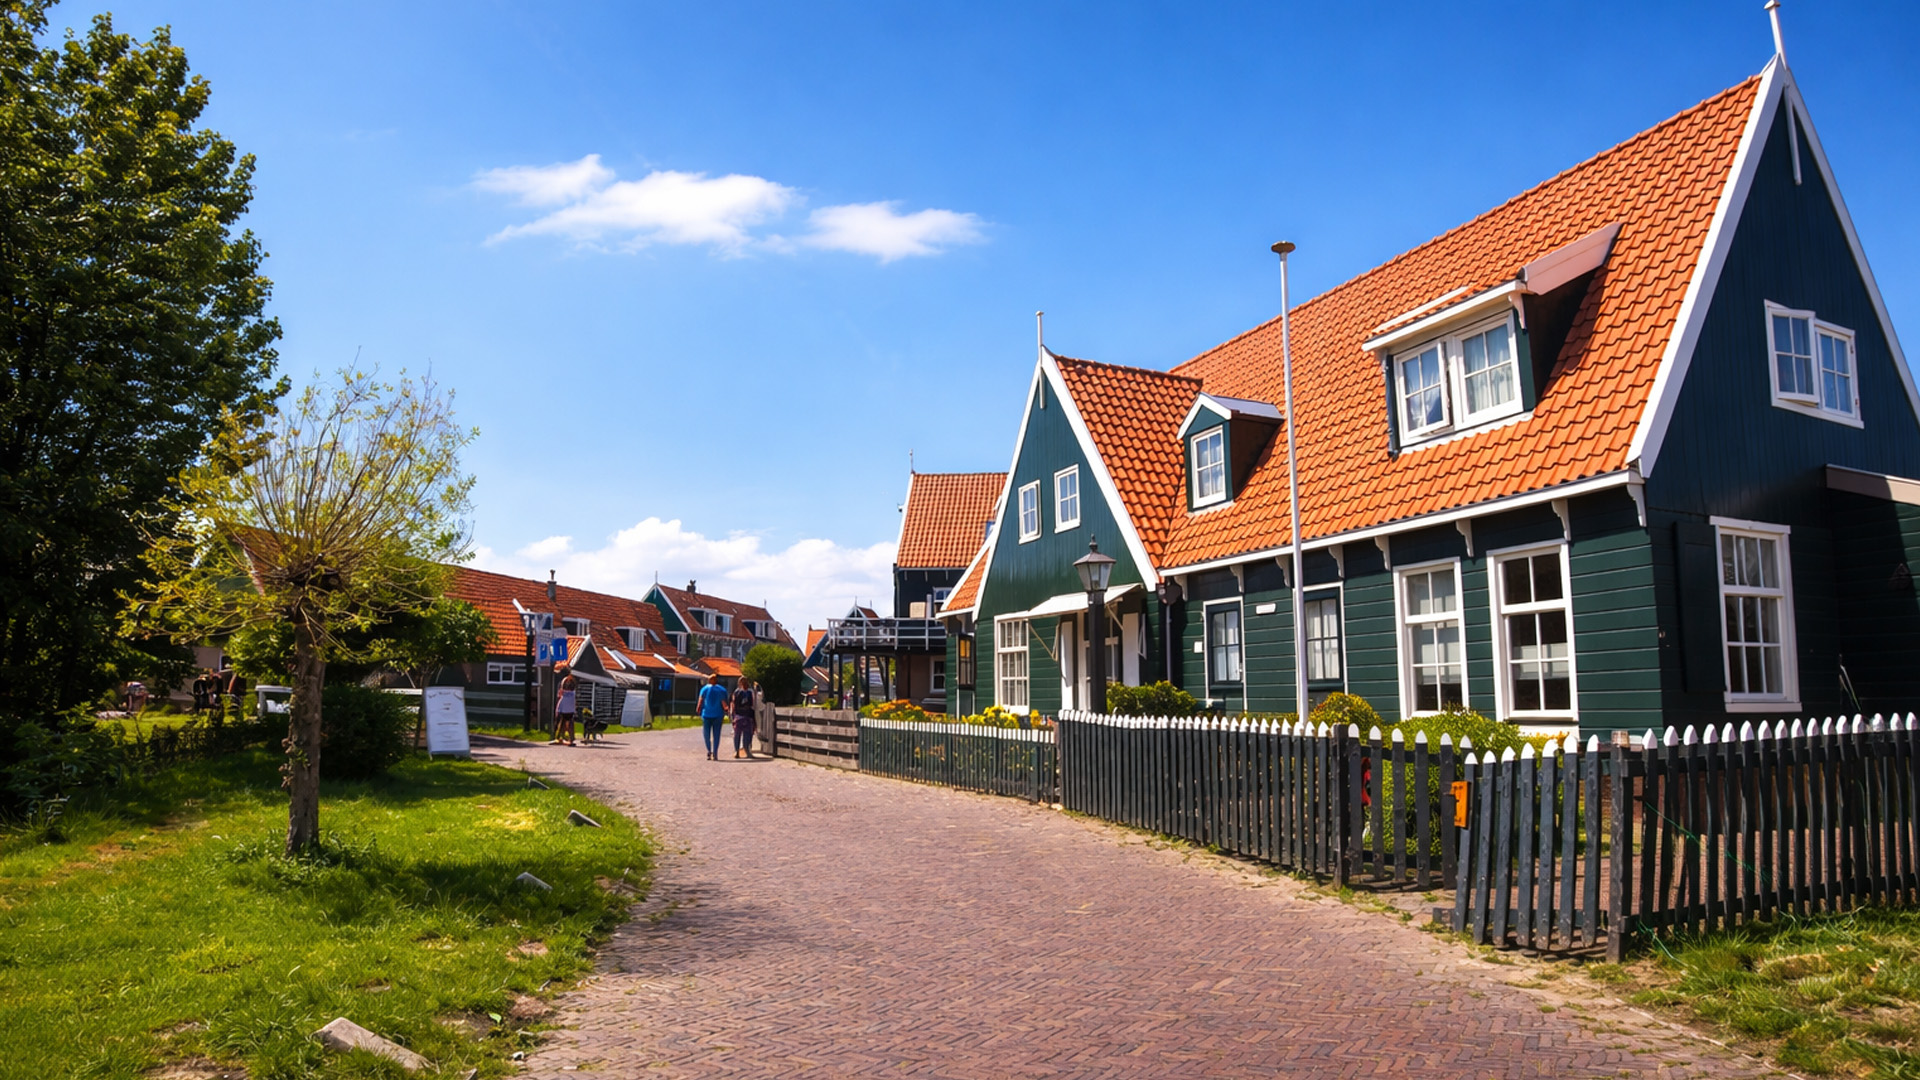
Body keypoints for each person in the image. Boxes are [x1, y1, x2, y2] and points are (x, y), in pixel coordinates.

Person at [696, 673, 728, 761]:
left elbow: (701, 700)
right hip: (718, 715)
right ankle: (715, 752)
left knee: (706, 734)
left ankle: (709, 750)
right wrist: (726, 709)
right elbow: (723, 702)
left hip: (706, 714)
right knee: (716, 734)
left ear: (709, 680)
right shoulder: (722, 690)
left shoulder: (704, 689)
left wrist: (698, 709)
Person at [730, 679, 758, 759]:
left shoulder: (737, 692)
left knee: (741, 734)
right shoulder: (749, 692)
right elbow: (753, 705)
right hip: (745, 716)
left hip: (742, 716)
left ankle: (740, 751)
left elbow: (733, 704)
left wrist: (733, 716)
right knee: (744, 735)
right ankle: (743, 751)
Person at [555, 673, 579, 747]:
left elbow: (560, 699)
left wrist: (558, 709)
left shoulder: (566, 693)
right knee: (567, 724)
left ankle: (562, 737)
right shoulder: (571, 693)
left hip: (565, 709)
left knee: (564, 724)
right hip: (568, 710)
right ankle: (565, 737)